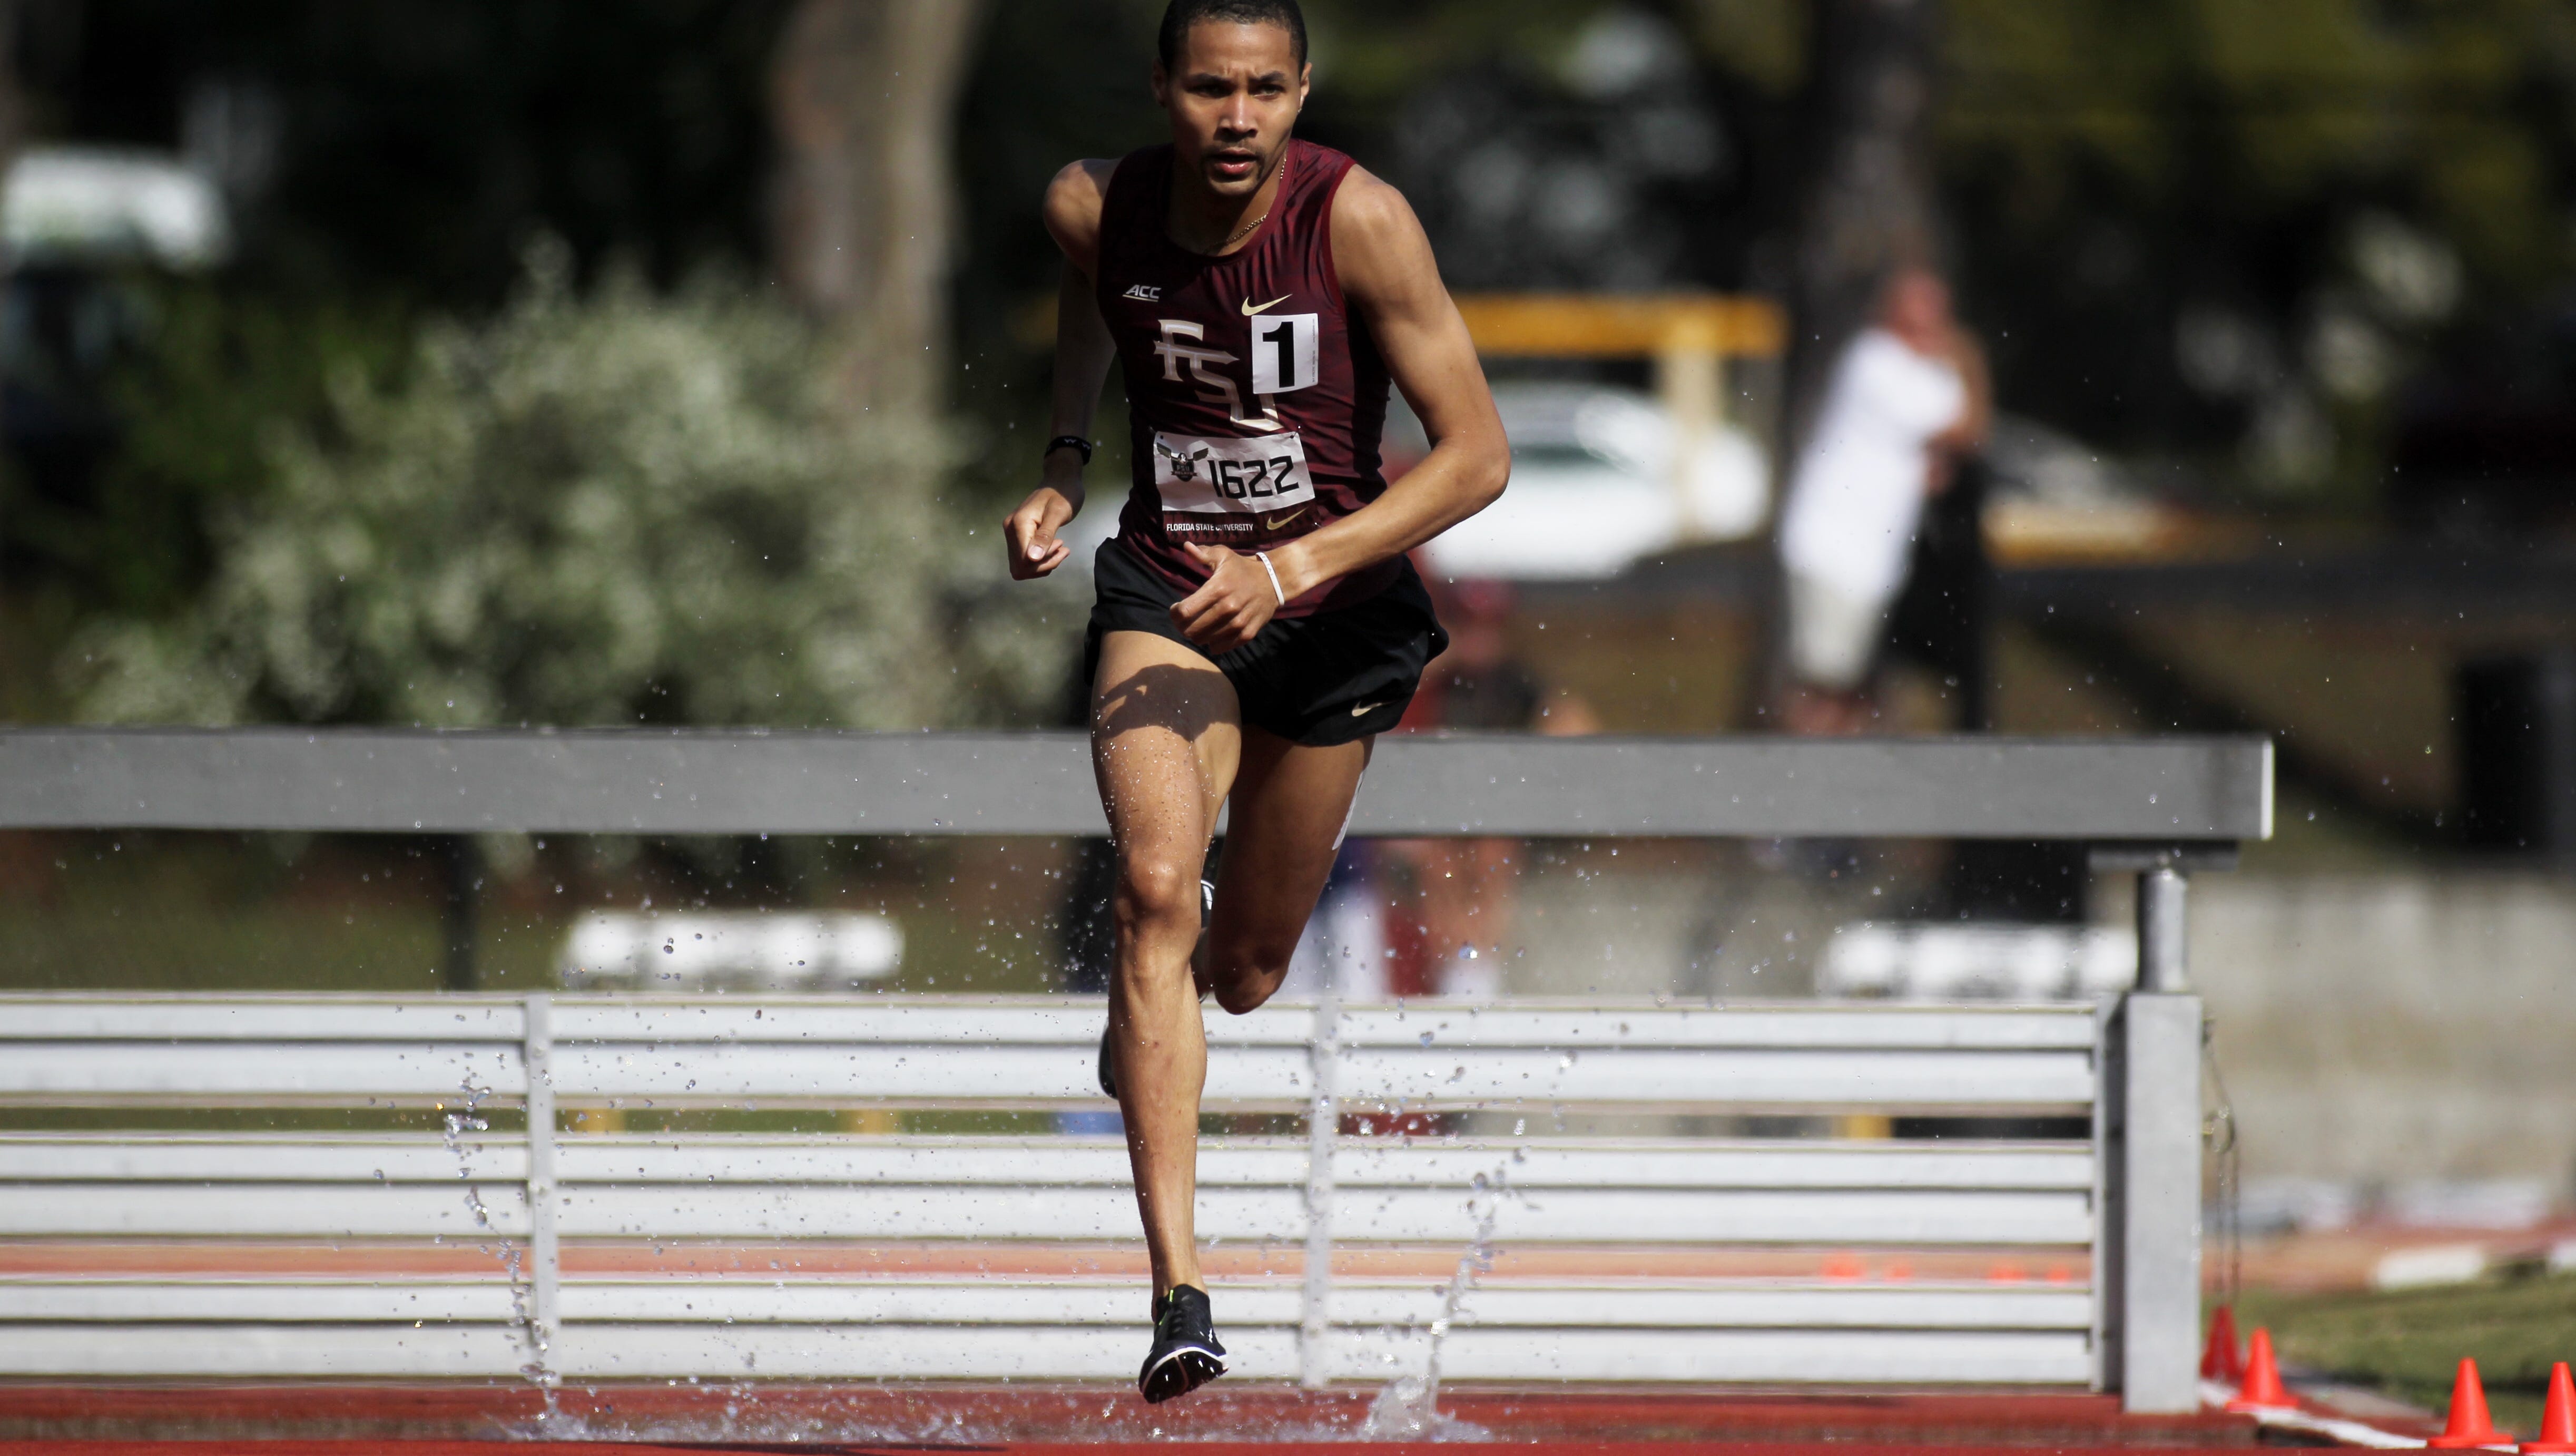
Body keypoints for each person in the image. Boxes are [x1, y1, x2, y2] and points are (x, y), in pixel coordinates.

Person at [1000, 0, 1509, 1405]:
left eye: (1265, 91)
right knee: (1154, 892)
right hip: (1168, 593)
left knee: (1242, 970)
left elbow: (1477, 455)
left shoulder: (1361, 222)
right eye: (1210, 89)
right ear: (1162, 86)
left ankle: (1154, 1007)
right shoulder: (1093, 204)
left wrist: (1290, 566)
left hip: (1328, 618)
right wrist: (1062, 460)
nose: (1237, 120)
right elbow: (1097, 294)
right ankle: (1180, 1293)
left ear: (1301, 91)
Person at [1774, 266, 1990, 734]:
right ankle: (1797, 770)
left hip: (1870, 558)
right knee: (1823, 685)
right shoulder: (1875, 361)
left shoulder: (1918, 374)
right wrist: (1967, 357)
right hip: (1835, 549)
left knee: (1850, 688)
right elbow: (1966, 427)